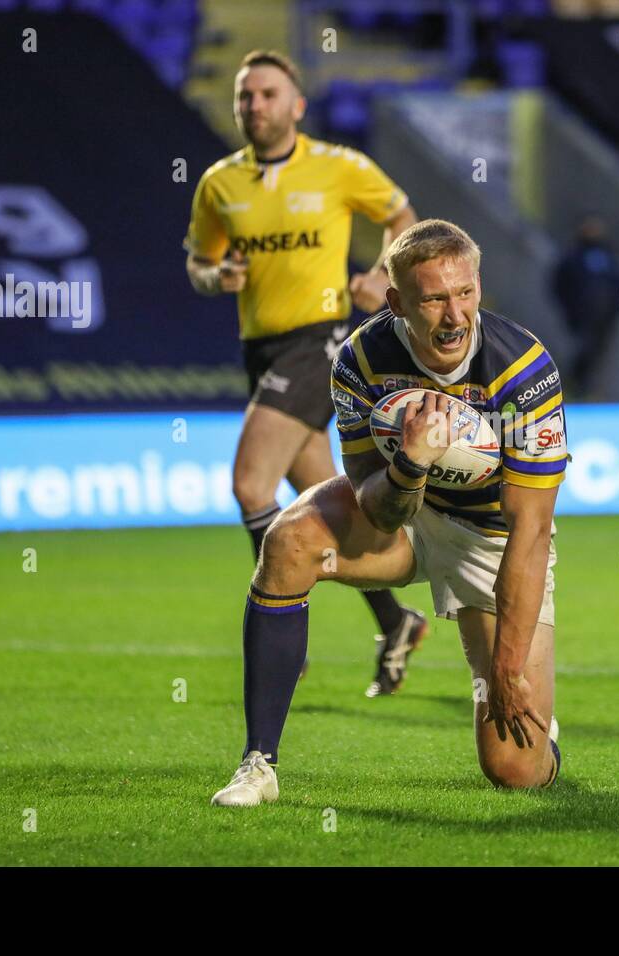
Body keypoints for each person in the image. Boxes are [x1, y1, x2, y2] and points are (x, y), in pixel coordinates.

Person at [210, 219, 568, 806]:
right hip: (402, 519)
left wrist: (507, 670)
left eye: (465, 294)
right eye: (433, 299)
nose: (455, 316)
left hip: (491, 540)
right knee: (288, 543)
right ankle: (258, 766)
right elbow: (374, 510)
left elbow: (528, 531)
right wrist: (410, 462)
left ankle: (542, 740)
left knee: (513, 769)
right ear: (397, 301)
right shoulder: (360, 360)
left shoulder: (523, 371)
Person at [184, 50, 426, 695]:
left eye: (267, 94)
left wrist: (381, 277)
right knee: (340, 509)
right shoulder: (219, 184)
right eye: (244, 96)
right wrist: (218, 277)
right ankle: (396, 619)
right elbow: (199, 264)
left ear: (296, 105)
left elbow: (402, 217)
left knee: (249, 485)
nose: (253, 105)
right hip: (260, 350)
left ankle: (282, 615)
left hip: (320, 342)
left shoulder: (338, 166)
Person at [551, 215, 619, 395]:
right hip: (577, 317)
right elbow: (558, 284)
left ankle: (585, 390)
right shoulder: (573, 257)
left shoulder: (611, 258)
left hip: (605, 319)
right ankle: (571, 387)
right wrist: (568, 309)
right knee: (577, 352)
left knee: (595, 355)